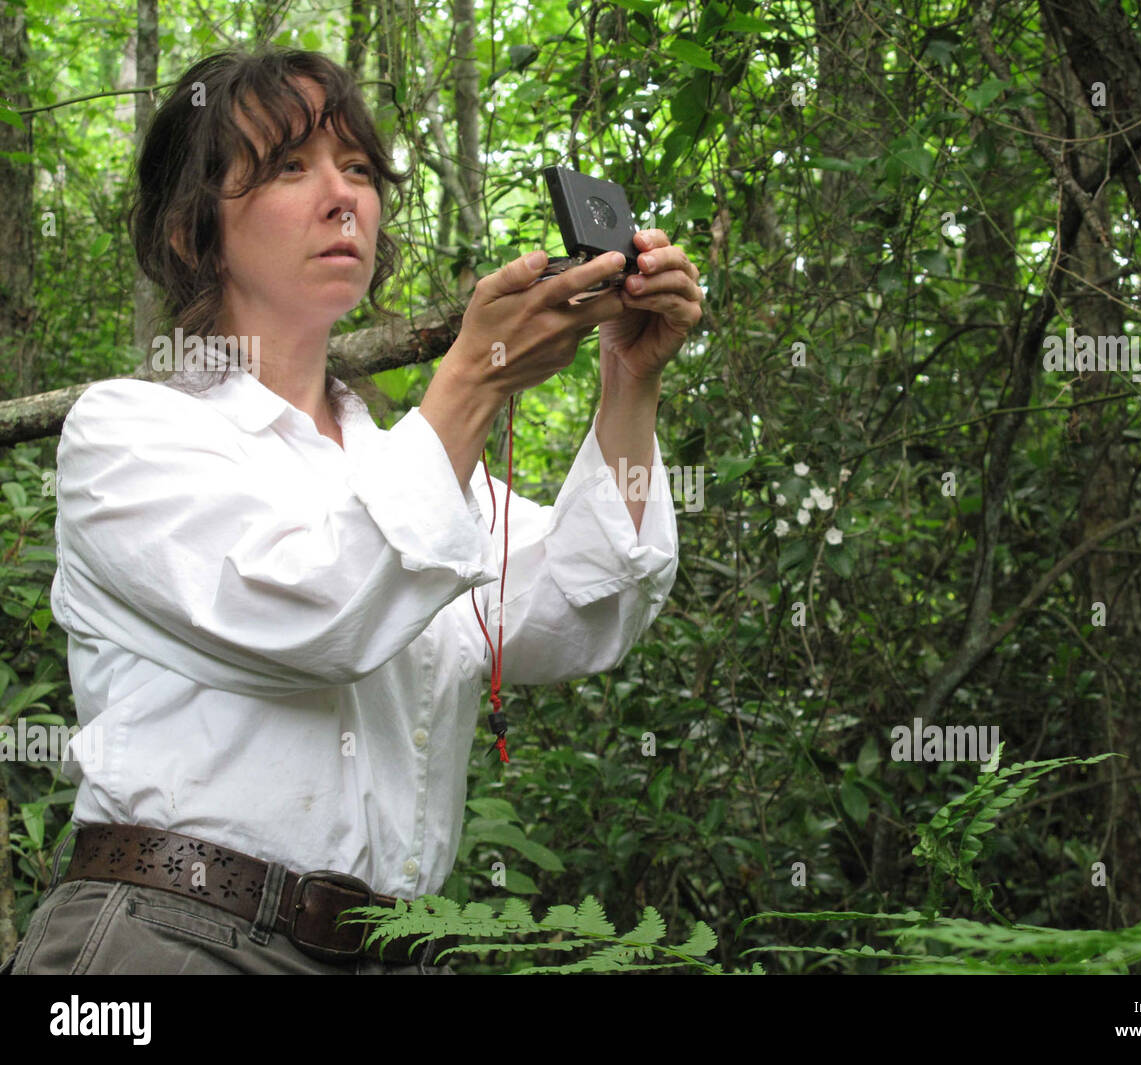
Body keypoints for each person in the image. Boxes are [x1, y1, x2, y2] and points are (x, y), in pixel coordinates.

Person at [3, 47, 702, 975]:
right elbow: (317, 610)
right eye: (292, 166)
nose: (344, 198)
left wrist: (630, 380)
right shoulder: (128, 434)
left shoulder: (410, 462)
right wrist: (472, 383)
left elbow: (583, 612)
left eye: (360, 170)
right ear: (189, 232)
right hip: (165, 938)